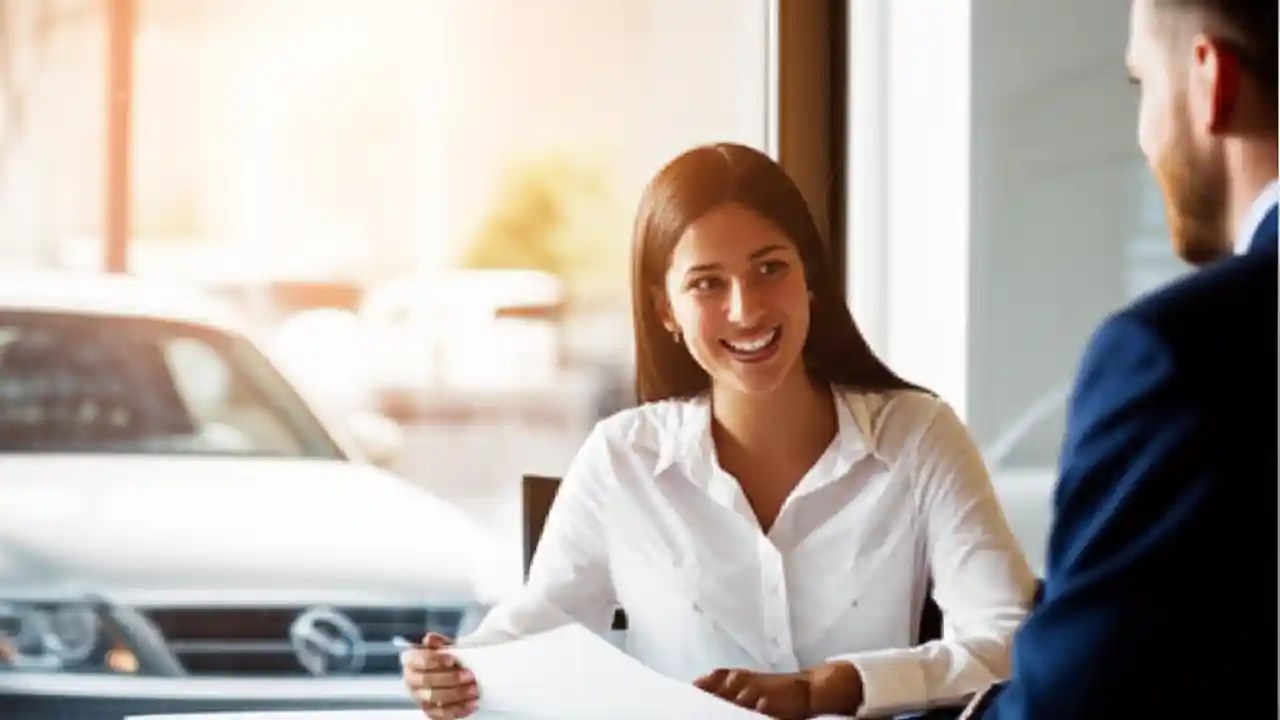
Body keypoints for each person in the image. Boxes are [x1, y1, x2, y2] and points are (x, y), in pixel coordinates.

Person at [402, 143, 1037, 720]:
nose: (746, 309)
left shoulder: (917, 437)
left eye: (770, 269)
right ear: (665, 310)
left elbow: (1009, 644)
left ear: (808, 277)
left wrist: (832, 687)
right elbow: (538, 629)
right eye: (707, 284)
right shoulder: (623, 457)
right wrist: (453, 671)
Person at [966, 1, 1277, 717]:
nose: (1142, 137)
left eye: (1142, 85)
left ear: (1209, 78)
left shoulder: (1180, 354)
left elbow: (1072, 704)